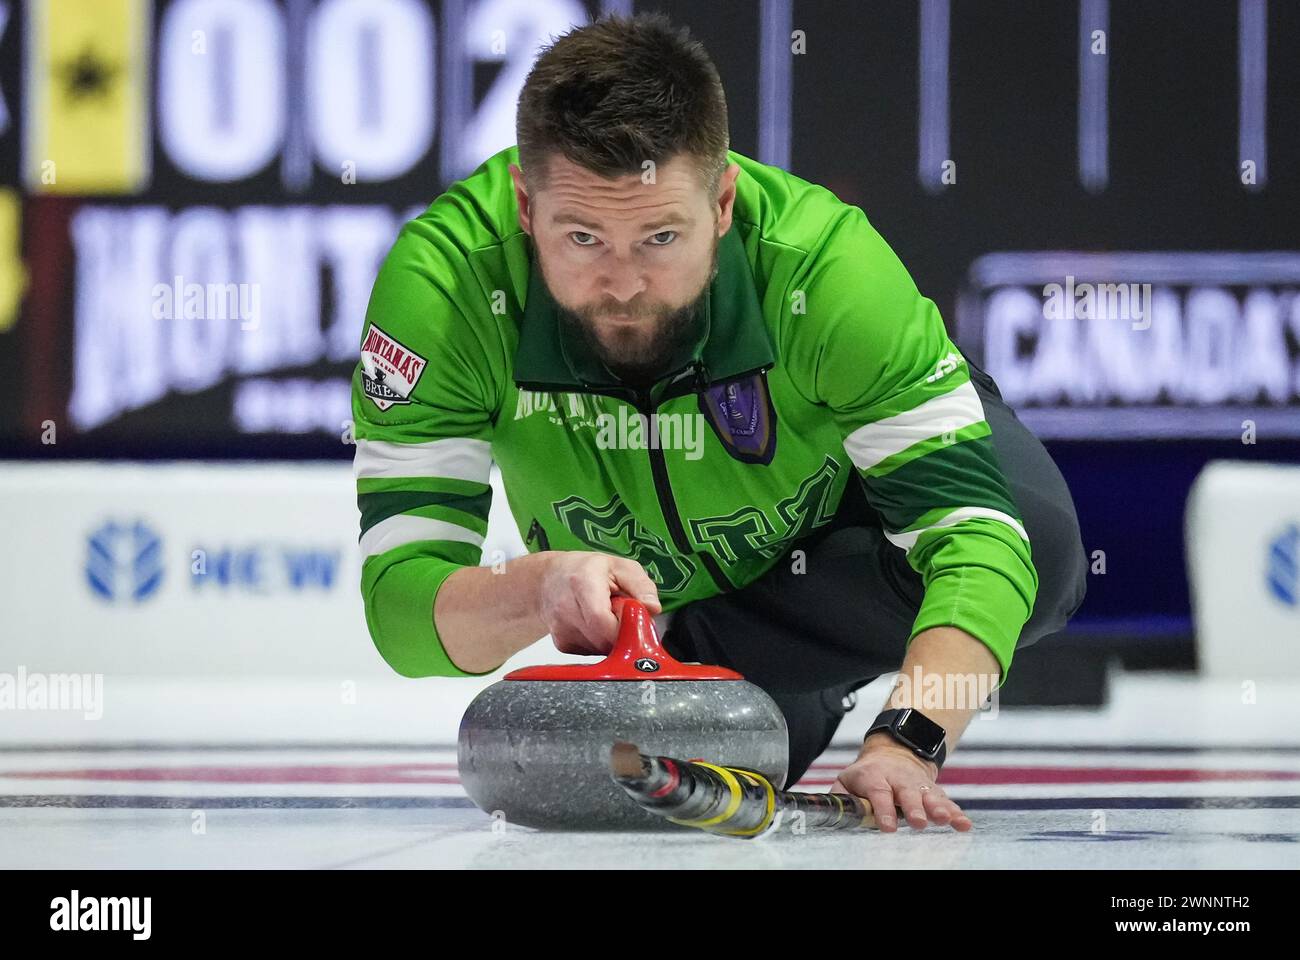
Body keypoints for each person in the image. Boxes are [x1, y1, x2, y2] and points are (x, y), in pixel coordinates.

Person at [351, 13, 1087, 832]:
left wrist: (909, 739)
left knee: (1042, 549)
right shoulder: (444, 292)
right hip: (698, 605)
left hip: (858, 516)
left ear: (725, 199)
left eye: (660, 237)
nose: (623, 285)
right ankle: (750, 665)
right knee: (650, 795)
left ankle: (763, 659)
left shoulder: (825, 271)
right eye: (583, 236)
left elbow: (978, 539)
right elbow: (400, 608)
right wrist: (538, 585)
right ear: (525, 203)